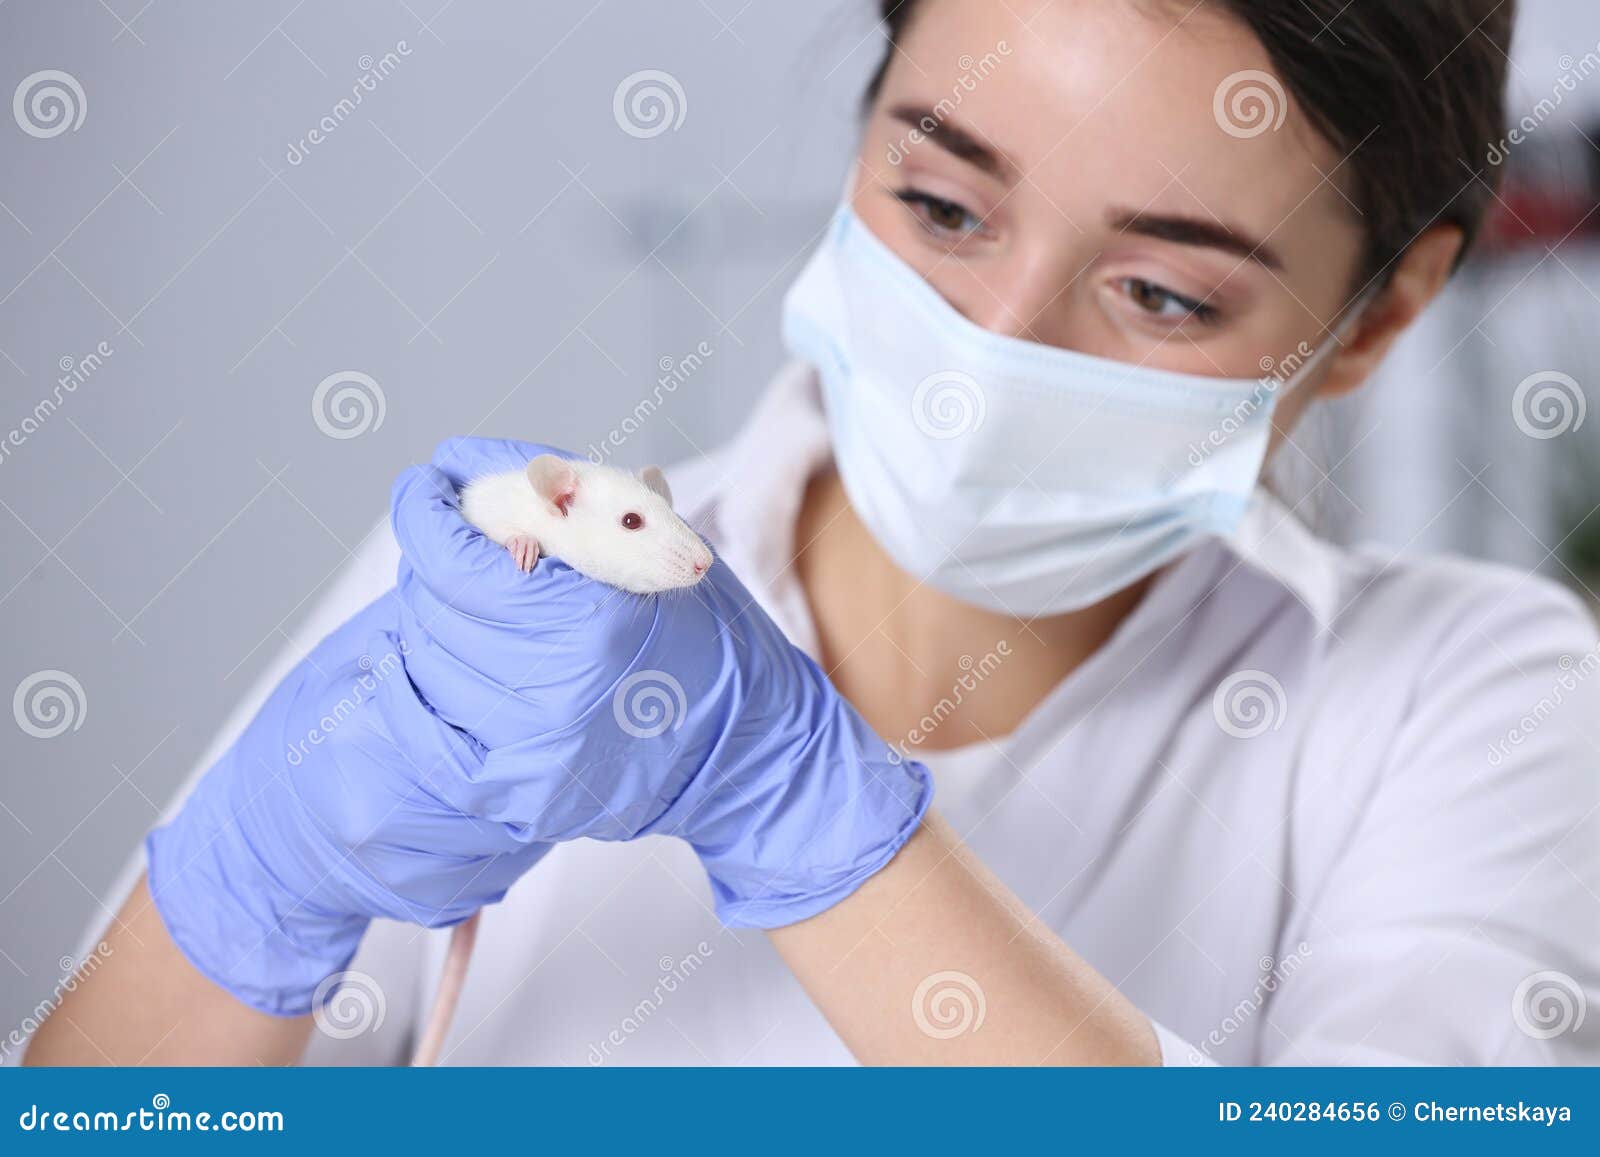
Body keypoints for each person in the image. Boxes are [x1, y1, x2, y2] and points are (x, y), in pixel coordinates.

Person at [26, 0, 1600, 1067]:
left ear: (1381, 312)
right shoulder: (525, 603)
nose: (995, 344)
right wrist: (245, 882)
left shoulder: (1466, 693)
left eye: (1165, 293)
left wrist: (795, 806)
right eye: (942, 206)